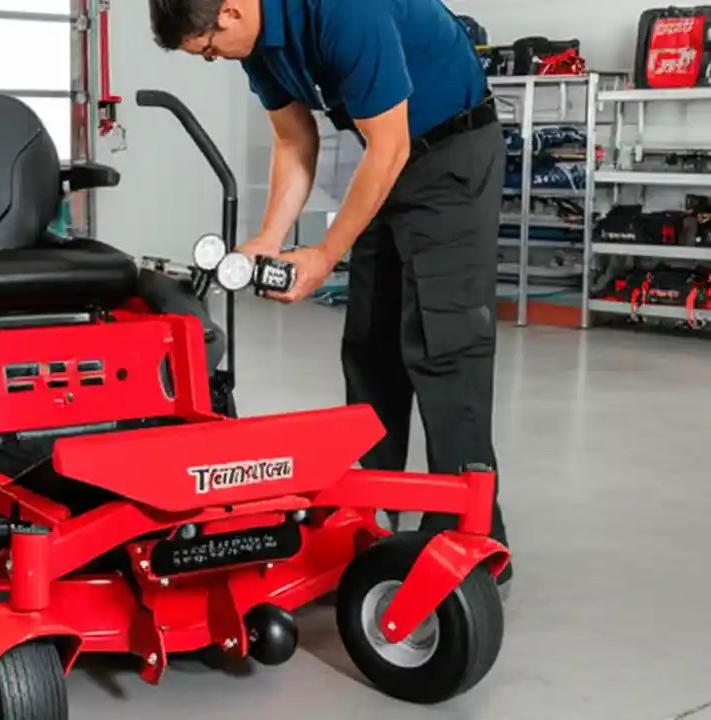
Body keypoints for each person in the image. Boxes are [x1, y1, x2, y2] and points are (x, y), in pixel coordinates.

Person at [148, 0, 513, 593]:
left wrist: (323, 255)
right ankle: (371, 517)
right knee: (370, 339)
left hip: (450, 152)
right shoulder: (260, 44)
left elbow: (389, 144)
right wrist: (269, 239)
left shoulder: (345, 10)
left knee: (443, 344)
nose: (213, 59)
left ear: (231, 12)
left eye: (209, 49)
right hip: (388, 158)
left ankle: (469, 535)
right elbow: (295, 140)